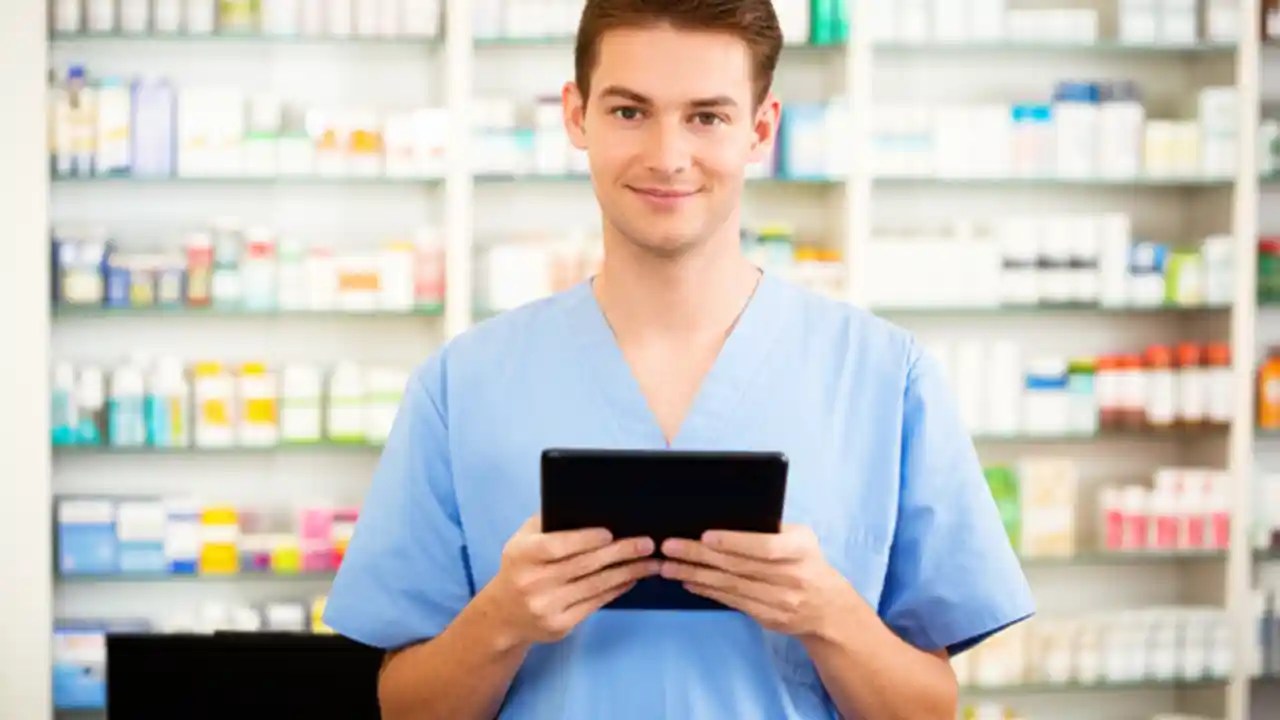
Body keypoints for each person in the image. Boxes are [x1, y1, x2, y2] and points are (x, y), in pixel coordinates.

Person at [323, 1, 1035, 718]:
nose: (667, 156)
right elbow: (405, 708)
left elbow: (929, 710)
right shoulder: (464, 384)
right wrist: (501, 621)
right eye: (630, 111)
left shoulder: (883, 378)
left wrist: (829, 615)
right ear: (576, 115)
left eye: (707, 117)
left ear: (761, 129)